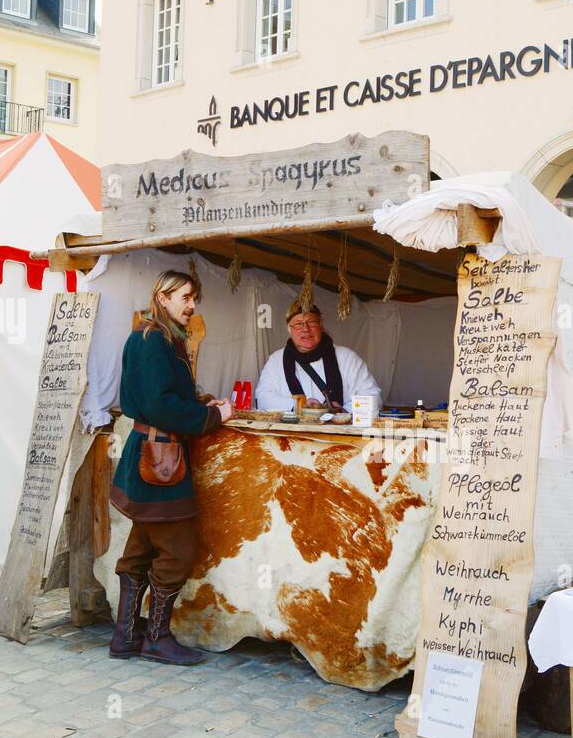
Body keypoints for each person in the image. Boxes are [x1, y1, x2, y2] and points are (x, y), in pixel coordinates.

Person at [108, 269, 234, 666]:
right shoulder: (151, 341)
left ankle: (126, 637)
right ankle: (156, 640)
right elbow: (160, 406)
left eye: (194, 297)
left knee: (142, 546)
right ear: (162, 298)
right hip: (158, 460)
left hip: (153, 456)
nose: (192, 305)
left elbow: (163, 396)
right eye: (185, 297)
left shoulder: (163, 339)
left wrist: (201, 405)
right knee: (178, 550)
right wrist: (214, 418)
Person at [255, 301, 382, 413]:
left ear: (320, 325)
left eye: (311, 322)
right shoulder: (276, 361)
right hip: (290, 437)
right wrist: (299, 405)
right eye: (298, 324)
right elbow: (262, 397)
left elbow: (372, 397)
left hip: (336, 436)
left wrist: (344, 410)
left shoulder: (347, 358)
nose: (306, 329)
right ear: (289, 329)